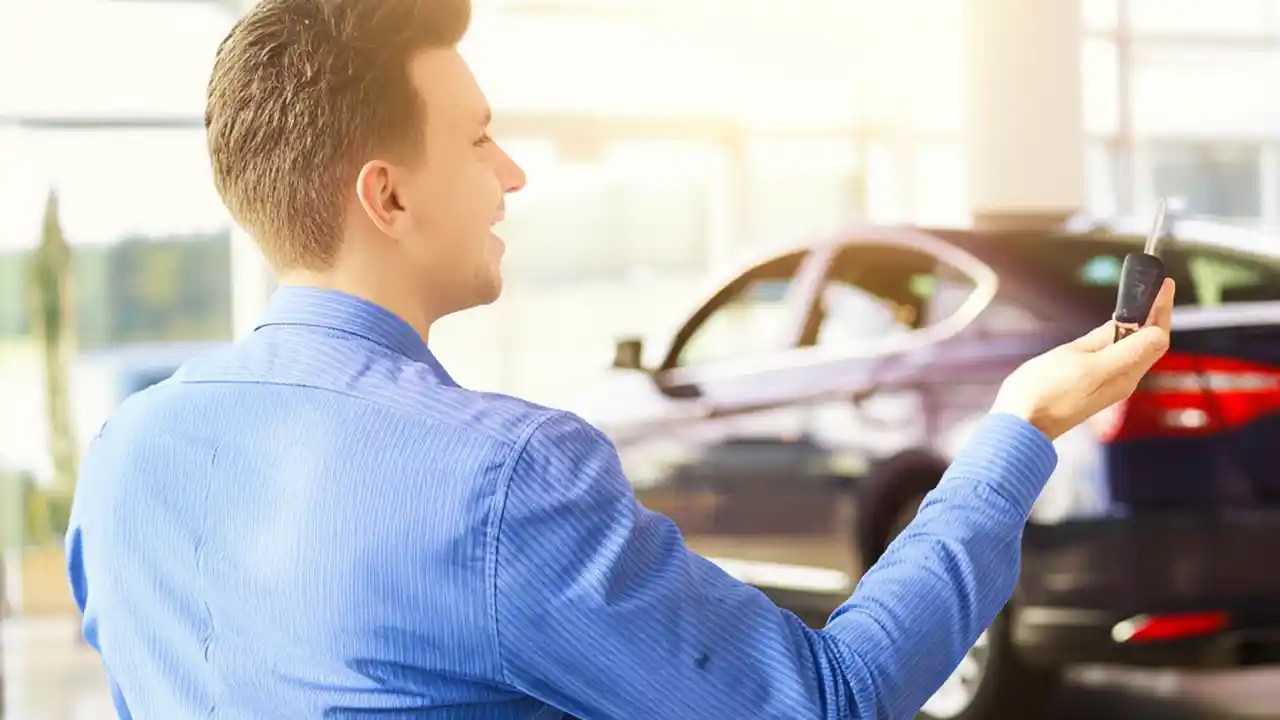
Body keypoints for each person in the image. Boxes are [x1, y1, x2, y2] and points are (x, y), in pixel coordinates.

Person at [64, 1, 1174, 718]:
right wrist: (1016, 429)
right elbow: (824, 703)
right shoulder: (501, 475)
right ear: (386, 194)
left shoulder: (124, 458)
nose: (511, 176)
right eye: (477, 138)